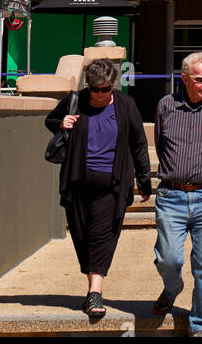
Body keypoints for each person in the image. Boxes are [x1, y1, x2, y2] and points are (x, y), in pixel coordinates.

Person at [45, 58, 151, 321]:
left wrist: (145, 180)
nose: (100, 94)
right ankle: (91, 277)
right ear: (88, 86)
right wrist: (63, 123)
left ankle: (95, 292)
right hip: (77, 181)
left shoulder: (125, 105)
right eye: (95, 89)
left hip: (112, 184)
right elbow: (51, 120)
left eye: (105, 89)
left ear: (112, 85)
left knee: (101, 234)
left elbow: (139, 143)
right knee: (82, 235)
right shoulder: (76, 100)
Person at [152, 50, 202, 337]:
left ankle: (199, 325)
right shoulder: (165, 106)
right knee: (169, 259)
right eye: (199, 79)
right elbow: (161, 145)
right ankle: (172, 288)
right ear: (184, 79)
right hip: (171, 198)